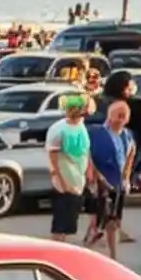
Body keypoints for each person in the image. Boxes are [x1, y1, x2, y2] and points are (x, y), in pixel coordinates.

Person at [85, 100, 135, 259]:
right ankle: (102, 250)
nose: (121, 119)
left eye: (124, 116)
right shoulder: (97, 133)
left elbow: (131, 153)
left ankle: (105, 250)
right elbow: (88, 154)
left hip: (118, 182)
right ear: (110, 116)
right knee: (107, 221)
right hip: (101, 182)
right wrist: (94, 175)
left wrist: (127, 177)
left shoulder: (127, 135)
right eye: (118, 116)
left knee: (113, 221)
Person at [45, 94, 92, 242]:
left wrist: (90, 171)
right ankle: (56, 248)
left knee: (70, 221)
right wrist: (60, 181)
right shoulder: (59, 129)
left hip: (78, 179)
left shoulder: (81, 125)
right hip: (63, 180)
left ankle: (63, 243)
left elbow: (86, 151)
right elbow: (53, 156)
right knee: (60, 221)